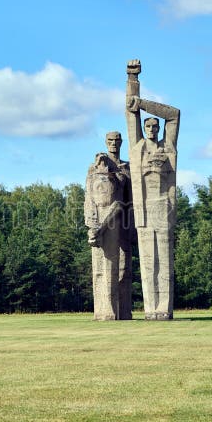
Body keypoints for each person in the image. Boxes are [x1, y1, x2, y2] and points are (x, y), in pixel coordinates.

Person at [124, 59, 180, 320]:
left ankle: (163, 309)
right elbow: (130, 112)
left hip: (163, 207)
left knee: (164, 262)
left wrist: (144, 103)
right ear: (144, 129)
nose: (152, 129)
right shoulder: (137, 149)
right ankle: (150, 309)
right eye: (148, 126)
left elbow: (175, 114)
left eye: (155, 126)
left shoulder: (168, 148)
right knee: (148, 263)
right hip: (144, 210)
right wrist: (132, 80)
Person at [84, 132, 133, 320]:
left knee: (124, 269)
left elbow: (130, 198)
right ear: (106, 142)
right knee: (100, 267)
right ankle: (103, 310)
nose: (113, 144)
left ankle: (124, 311)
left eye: (116, 141)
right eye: (110, 141)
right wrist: (92, 223)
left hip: (124, 221)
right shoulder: (94, 169)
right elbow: (89, 198)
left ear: (121, 143)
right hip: (103, 220)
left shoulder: (126, 167)